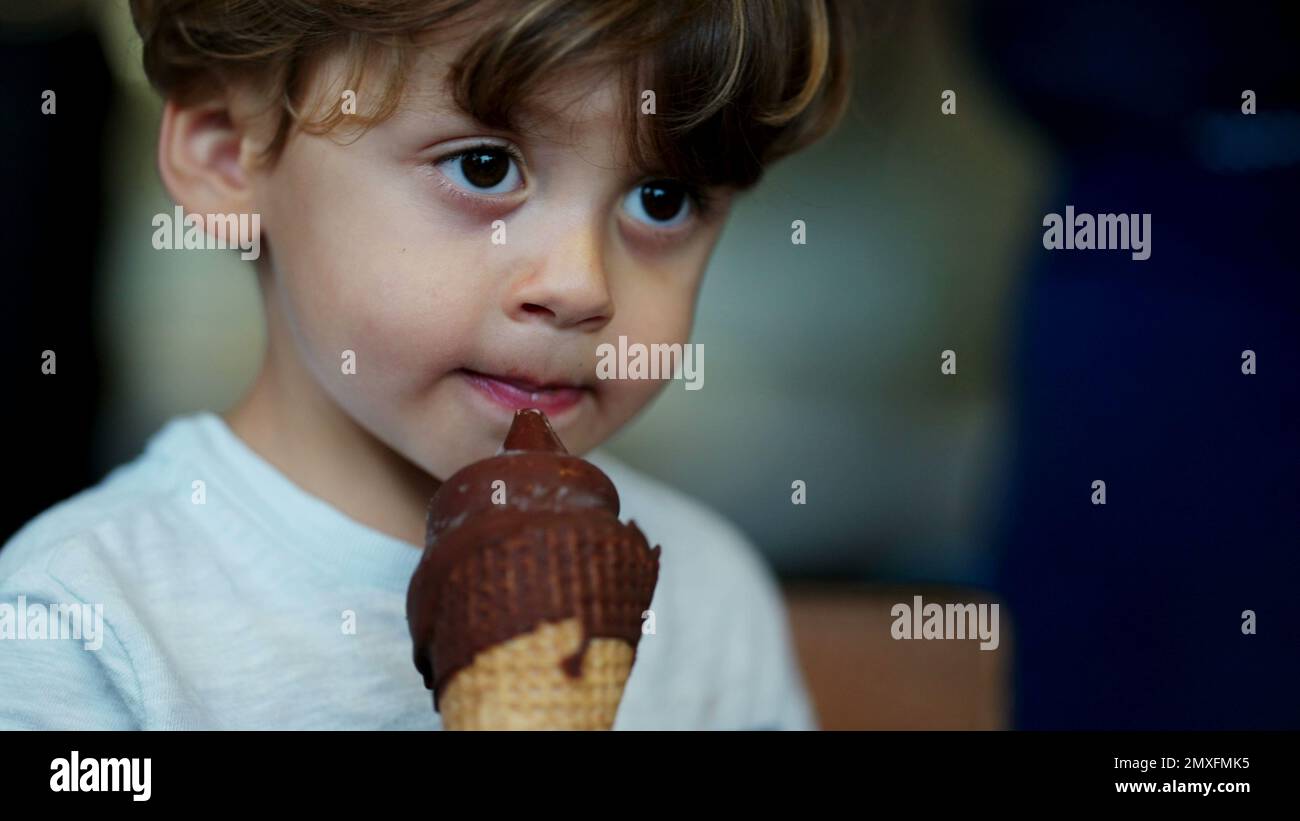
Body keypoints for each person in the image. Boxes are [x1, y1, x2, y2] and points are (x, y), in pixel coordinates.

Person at [0, 0, 856, 729]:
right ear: (230, 153)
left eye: (662, 198)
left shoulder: (714, 601)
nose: (580, 285)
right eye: (484, 167)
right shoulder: (82, 628)